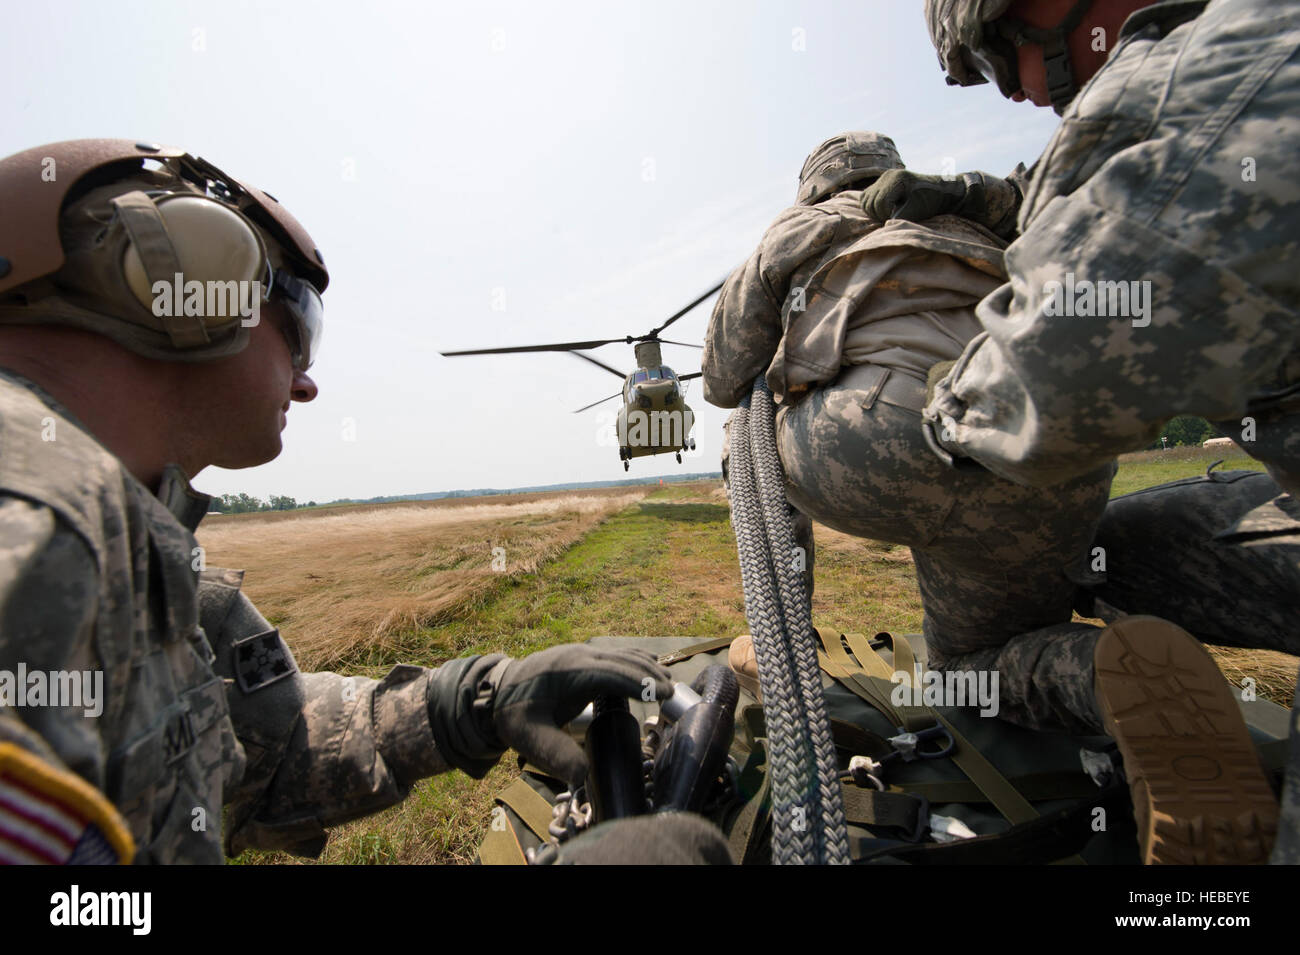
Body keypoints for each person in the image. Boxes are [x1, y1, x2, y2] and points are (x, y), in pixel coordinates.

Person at [0, 139, 714, 865]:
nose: (306, 384)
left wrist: (470, 700)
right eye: (298, 329)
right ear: (186, 269)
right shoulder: (41, 528)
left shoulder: (125, 544)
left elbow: (262, 757)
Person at [705, 129, 1279, 863]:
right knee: (977, 665)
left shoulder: (800, 226)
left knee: (744, 426)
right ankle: (1107, 674)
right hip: (1043, 447)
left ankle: (783, 637)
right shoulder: (971, 211)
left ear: (814, 183)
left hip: (879, 436)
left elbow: (723, 375)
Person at [866, 0, 1297, 862]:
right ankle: (1133, 681)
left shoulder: (1210, 105)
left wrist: (918, 424)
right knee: (1105, 551)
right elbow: (1091, 174)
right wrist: (965, 196)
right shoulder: (1227, 45)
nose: (1013, 97)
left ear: (1041, 10)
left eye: (995, 65)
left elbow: (1050, 377)